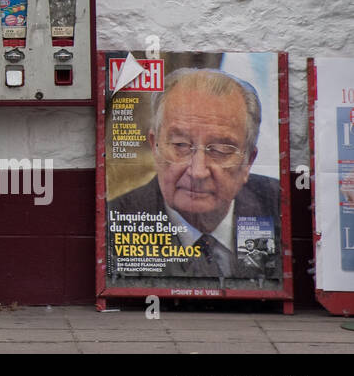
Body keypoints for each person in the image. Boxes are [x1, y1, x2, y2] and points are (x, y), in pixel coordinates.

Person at [107, 67, 280, 278]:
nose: (197, 172)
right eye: (180, 145)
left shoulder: (279, 206)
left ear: (248, 162)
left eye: (220, 150)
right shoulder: (113, 224)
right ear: (155, 147)